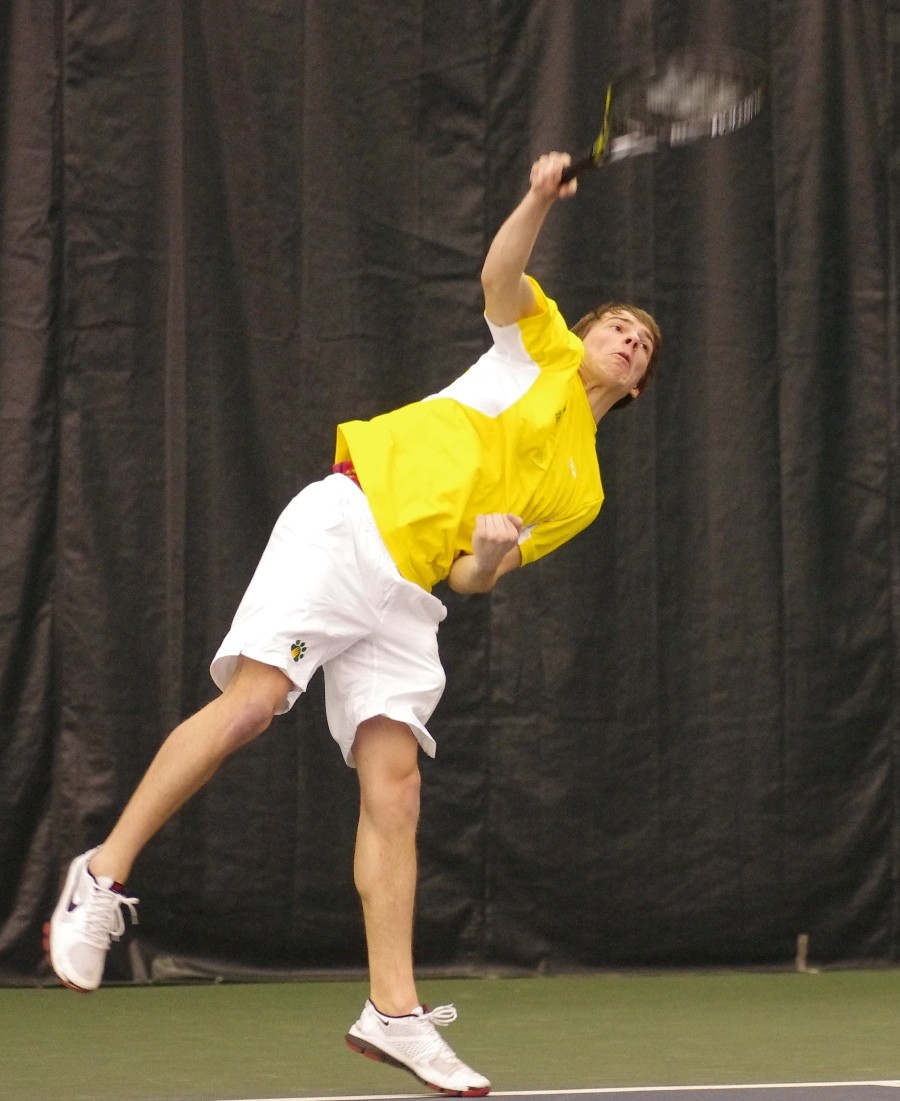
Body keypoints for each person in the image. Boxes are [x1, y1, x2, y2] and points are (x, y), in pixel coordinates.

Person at [46, 151, 660, 1098]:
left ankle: (393, 1011)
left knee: (398, 787)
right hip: (350, 522)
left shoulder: (585, 490)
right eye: (617, 325)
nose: (628, 341)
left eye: (643, 344)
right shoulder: (534, 347)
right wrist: (538, 197)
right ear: (583, 333)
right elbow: (498, 276)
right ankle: (102, 873)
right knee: (255, 704)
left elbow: (470, 578)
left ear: (641, 383)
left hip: (410, 592)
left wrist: (492, 555)